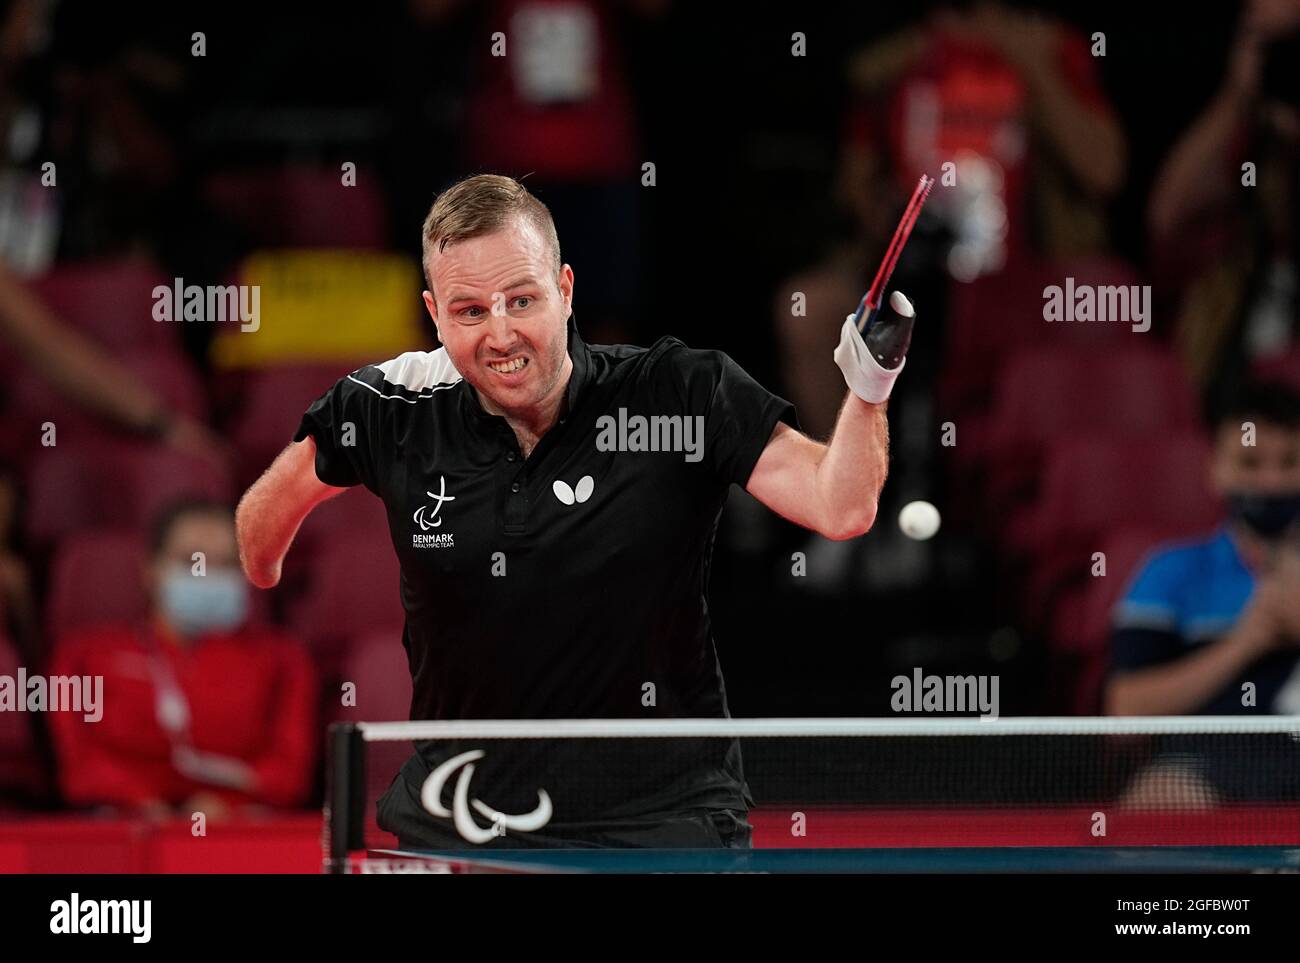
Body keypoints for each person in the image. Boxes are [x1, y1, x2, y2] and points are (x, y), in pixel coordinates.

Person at [237, 174, 907, 849]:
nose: (501, 334)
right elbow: (261, 523)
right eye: (469, 311)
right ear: (434, 314)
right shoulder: (389, 407)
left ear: (564, 289)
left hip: (661, 823)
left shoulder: (675, 393)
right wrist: (263, 566)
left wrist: (870, 385)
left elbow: (839, 504)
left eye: (521, 300)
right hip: (463, 812)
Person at [49, 498, 317, 817]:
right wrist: (139, 803)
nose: (208, 575)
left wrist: (227, 805)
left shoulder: (283, 660)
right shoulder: (83, 656)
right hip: (119, 824)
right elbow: (80, 765)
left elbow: (289, 770)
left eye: (226, 564)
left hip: (240, 826)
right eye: (193, 561)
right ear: (151, 570)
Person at [1105, 381, 1300, 805]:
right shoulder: (1170, 572)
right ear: (1215, 469)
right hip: (1207, 765)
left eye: (1289, 463)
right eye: (1250, 463)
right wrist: (1249, 639)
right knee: (1158, 802)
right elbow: (1127, 708)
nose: (1270, 481)